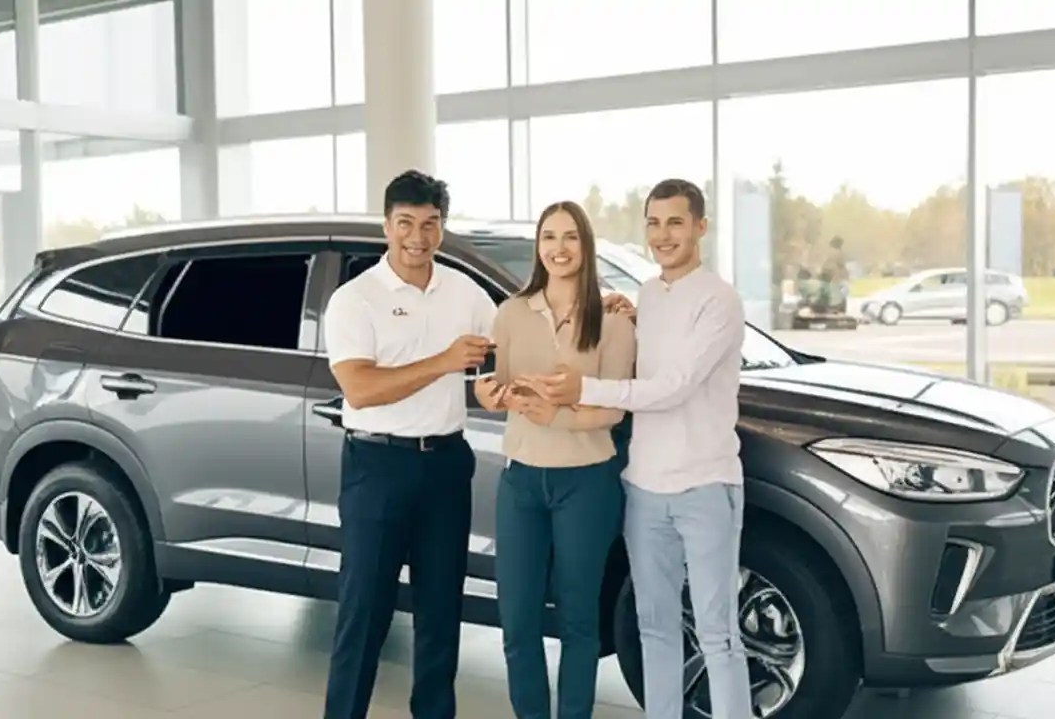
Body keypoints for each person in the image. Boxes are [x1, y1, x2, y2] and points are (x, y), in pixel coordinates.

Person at [514, 179, 752, 719]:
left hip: (706, 486)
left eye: (675, 222)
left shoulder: (720, 300)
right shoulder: (648, 294)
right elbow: (651, 356)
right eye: (653, 222)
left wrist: (584, 390)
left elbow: (674, 386)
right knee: (654, 629)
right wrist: (634, 317)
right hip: (644, 489)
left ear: (700, 227)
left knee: (718, 634)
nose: (662, 234)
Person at [322, 169, 498, 719]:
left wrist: (603, 308)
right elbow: (360, 387)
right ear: (387, 225)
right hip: (377, 466)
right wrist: (445, 361)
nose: (418, 237)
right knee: (364, 614)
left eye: (430, 224)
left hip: (446, 467)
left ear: (442, 227)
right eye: (406, 224)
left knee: (441, 615)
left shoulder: (467, 294)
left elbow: (512, 347)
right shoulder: (356, 300)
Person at [472, 201, 636, 719]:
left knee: (579, 622)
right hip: (521, 482)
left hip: (587, 484)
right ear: (537, 246)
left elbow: (613, 409)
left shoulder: (612, 320)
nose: (559, 248)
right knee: (517, 622)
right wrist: (487, 395)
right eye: (549, 237)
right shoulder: (512, 312)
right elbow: (499, 386)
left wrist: (554, 416)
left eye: (570, 237)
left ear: (586, 246)